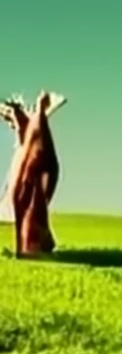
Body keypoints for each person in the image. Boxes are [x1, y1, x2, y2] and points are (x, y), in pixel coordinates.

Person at [0, 91, 66, 256]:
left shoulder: (33, 128)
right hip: (29, 171)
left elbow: (37, 148)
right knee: (25, 204)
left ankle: (31, 247)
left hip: (35, 170)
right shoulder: (27, 130)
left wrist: (40, 108)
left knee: (28, 204)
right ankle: (29, 247)